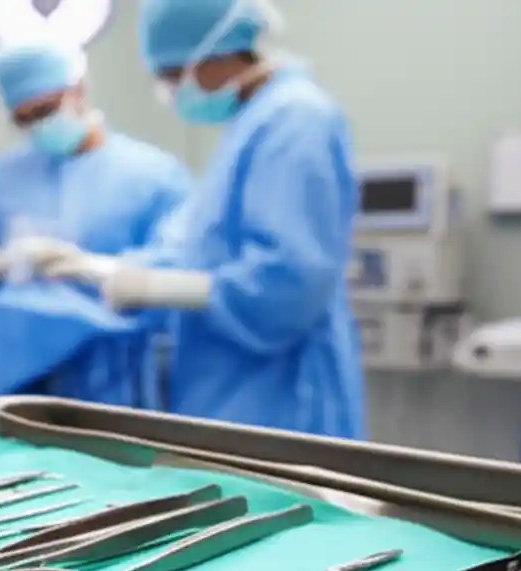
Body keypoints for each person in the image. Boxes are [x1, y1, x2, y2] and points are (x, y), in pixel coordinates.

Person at [47, 0, 365, 438]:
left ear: (218, 52)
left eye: (174, 75)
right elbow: (197, 247)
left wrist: (160, 287)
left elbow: (292, 284)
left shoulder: (298, 121)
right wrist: (106, 267)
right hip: (231, 393)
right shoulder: (252, 123)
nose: (172, 91)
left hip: (284, 398)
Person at [0, 39, 192, 407]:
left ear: (79, 90)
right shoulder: (6, 177)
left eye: (46, 109)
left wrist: (93, 269)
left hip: (117, 384)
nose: (38, 125)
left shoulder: (154, 176)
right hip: (20, 383)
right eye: (24, 118)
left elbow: (179, 277)